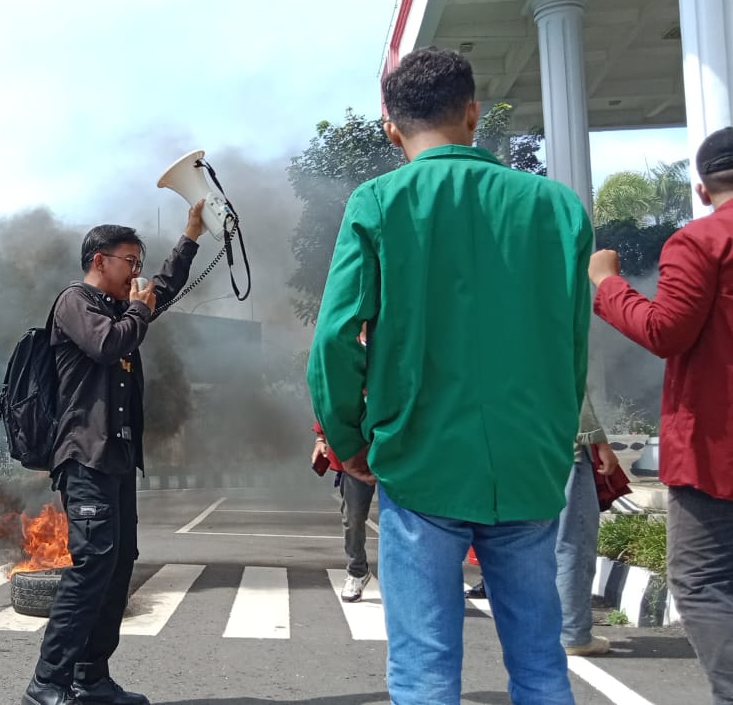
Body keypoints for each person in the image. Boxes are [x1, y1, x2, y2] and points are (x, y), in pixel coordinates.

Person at [307, 47, 591, 705]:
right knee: (542, 669)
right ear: (472, 114)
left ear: (390, 128)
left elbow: (335, 338)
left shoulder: (378, 202)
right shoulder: (558, 207)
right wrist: (554, 437)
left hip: (419, 464)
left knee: (425, 674)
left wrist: (349, 441)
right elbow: (573, 344)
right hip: (528, 464)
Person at [24, 205, 204, 705]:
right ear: (100, 261)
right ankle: (47, 682)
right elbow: (108, 344)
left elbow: (158, 292)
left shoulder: (121, 306)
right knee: (91, 565)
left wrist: (190, 235)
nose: (137, 272)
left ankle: (90, 675)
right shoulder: (74, 302)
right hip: (85, 455)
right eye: (130, 262)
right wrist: (142, 307)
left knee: (119, 563)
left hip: (117, 456)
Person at [590, 126, 733, 703]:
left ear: (701, 189)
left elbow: (664, 330)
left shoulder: (701, 242)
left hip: (715, 451)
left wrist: (607, 284)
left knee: (699, 581)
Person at [311, 327, 373, 603]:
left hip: (397, 445)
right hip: (355, 448)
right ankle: (357, 570)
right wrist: (321, 437)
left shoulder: (399, 339)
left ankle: (414, 579)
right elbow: (327, 393)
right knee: (353, 515)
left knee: (412, 518)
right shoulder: (344, 347)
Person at [558, 396, 620, 657]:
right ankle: (574, 633)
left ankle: (542, 629)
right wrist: (599, 442)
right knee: (574, 540)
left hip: (516, 448)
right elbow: (573, 384)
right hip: (562, 445)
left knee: (532, 543)